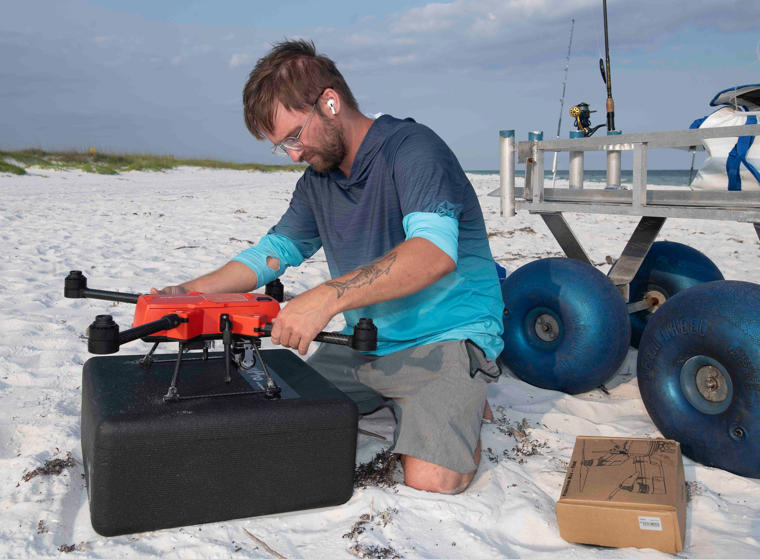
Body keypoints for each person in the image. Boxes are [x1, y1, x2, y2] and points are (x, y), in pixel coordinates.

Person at [153, 40, 504, 494]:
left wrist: (324, 297)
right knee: (270, 416)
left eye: (295, 137)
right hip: (362, 344)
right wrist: (189, 291)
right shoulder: (317, 180)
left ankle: (462, 394)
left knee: (432, 479)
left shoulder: (413, 149)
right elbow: (274, 253)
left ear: (330, 102)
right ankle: (408, 400)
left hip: (445, 336)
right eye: (283, 148)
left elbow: (433, 253)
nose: (295, 154)